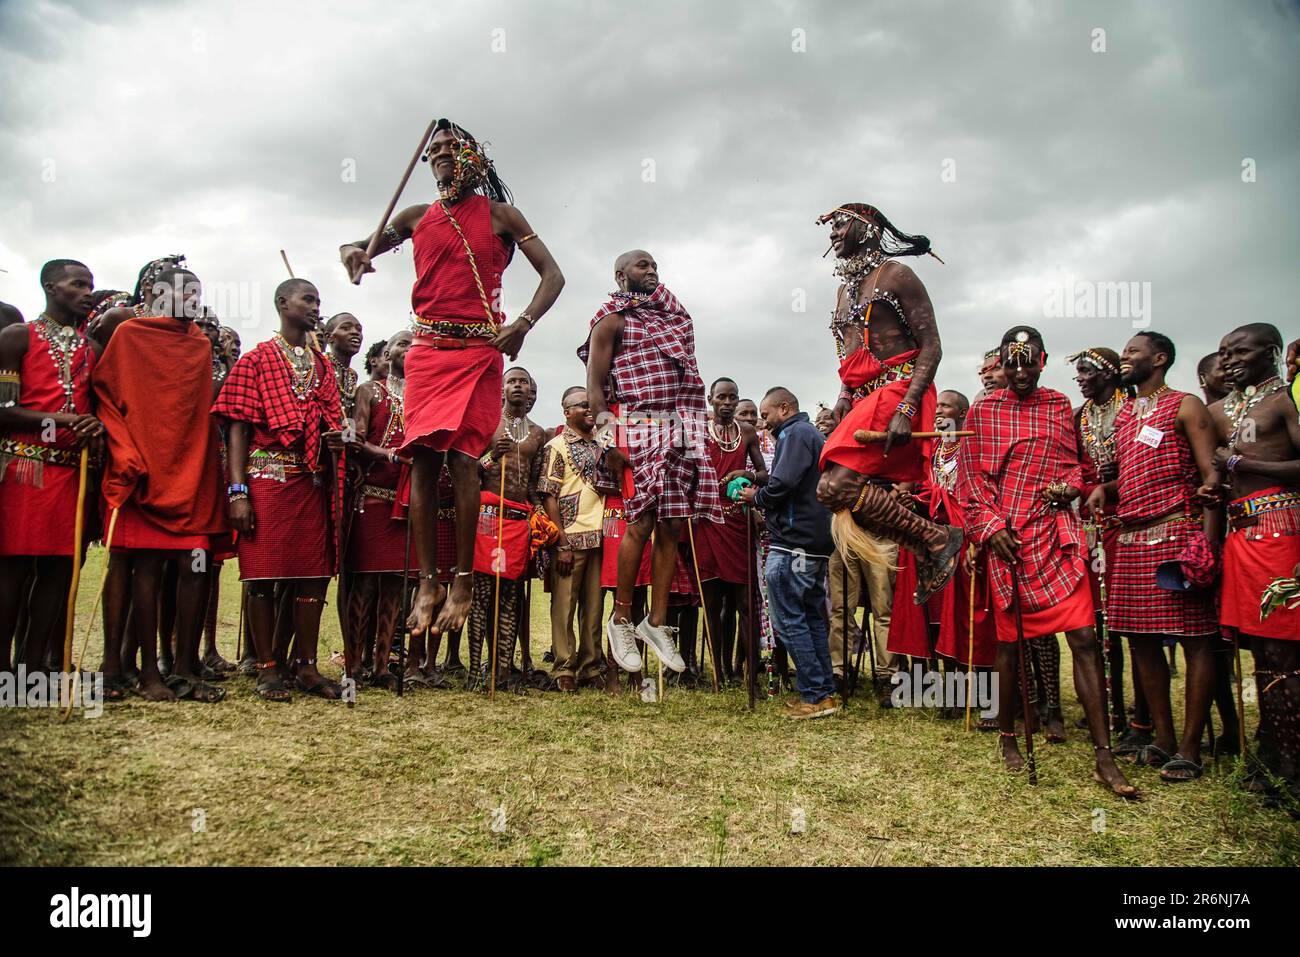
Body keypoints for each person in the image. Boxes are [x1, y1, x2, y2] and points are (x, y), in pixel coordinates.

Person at [339, 119, 564, 643]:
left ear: (474, 160)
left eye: (450, 148)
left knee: (464, 461)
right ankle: (427, 582)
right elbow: (363, 247)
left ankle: (462, 581)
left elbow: (553, 275)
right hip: (427, 351)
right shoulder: (417, 216)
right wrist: (352, 252)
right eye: (434, 150)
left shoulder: (503, 216)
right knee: (420, 457)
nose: (440, 155)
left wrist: (522, 324)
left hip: (480, 351)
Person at [959, 326, 1135, 798]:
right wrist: (992, 529)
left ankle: (1103, 755)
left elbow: (1075, 465)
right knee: (1009, 647)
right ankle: (1009, 737)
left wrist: (1071, 487)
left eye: (1027, 361)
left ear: (1042, 359)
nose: (1018, 371)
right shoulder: (984, 411)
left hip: (1056, 535)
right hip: (1008, 539)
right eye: (1009, 362)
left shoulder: (1059, 406)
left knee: (1083, 637)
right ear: (999, 363)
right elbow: (971, 483)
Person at [579, 249, 723, 676]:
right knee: (640, 521)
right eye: (643, 265)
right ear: (621, 274)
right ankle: (621, 617)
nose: (652, 270)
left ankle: (656, 622)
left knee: (673, 524)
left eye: (655, 265)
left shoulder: (674, 319)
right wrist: (607, 443)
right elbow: (596, 388)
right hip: (634, 425)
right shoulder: (610, 320)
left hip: (676, 427)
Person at [1086, 332, 1220, 783]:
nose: (1124, 358)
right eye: (1123, 353)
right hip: (1131, 536)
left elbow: (1211, 476)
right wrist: (1105, 489)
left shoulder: (1185, 405)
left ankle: (1190, 748)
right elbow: (1131, 476)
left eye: (1132, 352)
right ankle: (1161, 738)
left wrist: (1206, 542)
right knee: (1139, 637)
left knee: (1194, 639)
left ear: (1159, 358)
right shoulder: (1125, 416)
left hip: (1177, 530)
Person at [812, 203, 963, 603]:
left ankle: (937, 537)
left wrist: (908, 408)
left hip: (901, 391)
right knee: (833, 491)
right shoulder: (844, 291)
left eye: (840, 224)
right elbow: (851, 354)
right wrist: (845, 395)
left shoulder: (897, 275)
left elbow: (932, 347)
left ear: (870, 230)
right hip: (867, 397)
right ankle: (930, 543)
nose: (832, 233)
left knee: (836, 486)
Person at [91, 262, 227, 703]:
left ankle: (185, 666)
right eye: (183, 293)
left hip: (192, 469)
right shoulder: (130, 335)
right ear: (155, 294)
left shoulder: (200, 345)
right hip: (144, 467)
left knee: (196, 564)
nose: (192, 301)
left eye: (197, 293)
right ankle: (146, 670)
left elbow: (197, 412)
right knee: (143, 568)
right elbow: (107, 398)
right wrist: (124, 452)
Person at [212, 278, 345, 702]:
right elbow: (238, 426)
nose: (315, 306)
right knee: (264, 576)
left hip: (311, 480)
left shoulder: (322, 366)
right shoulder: (255, 360)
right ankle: (267, 666)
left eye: (318, 299)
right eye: (309, 298)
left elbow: (329, 419)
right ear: (282, 303)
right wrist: (237, 492)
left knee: (313, 576)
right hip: (266, 478)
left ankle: (305, 665)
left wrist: (333, 438)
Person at [1209, 322, 1299, 803]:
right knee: (1262, 656)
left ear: (1272, 351)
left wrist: (1244, 466)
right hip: (1241, 535)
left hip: (1281, 532)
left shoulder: (1285, 400)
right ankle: (1273, 756)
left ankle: (1292, 767)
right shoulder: (1229, 408)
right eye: (1224, 353)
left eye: (1240, 351)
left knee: (1287, 657)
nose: (1229, 360)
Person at [0, 260, 102, 676]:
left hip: (71, 474)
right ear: (50, 287)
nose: (87, 292)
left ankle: (34, 666)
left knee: (60, 571)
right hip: (25, 468)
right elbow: (4, 411)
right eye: (78, 284)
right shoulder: (16, 337)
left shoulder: (92, 350)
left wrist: (95, 427)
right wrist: (59, 422)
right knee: (13, 569)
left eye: (90, 285)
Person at [740, 387, 836, 718]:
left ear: (784, 408)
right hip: (815, 541)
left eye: (765, 416)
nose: (763, 424)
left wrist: (757, 497)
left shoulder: (795, 434)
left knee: (788, 620)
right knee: (810, 618)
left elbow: (783, 484)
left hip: (794, 541)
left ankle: (812, 694)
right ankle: (824, 692)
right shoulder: (808, 434)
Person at [1069, 347, 1141, 741]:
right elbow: (1073, 467)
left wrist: (1109, 485)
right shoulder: (1079, 418)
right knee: (1096, 622)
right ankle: (1108, 710)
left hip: (1126, 523)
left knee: (1130, 624)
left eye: (1086, 372)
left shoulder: (1131, 411)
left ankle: (1141, 716)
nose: (1079, 378)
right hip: (1089, 528)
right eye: (1077, 372)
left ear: (1110, 374)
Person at [467, 367, 547, 690]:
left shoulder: (538, 433)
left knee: (512, 595)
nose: (518, 386)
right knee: (483, 594)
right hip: (487, 513)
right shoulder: (488, 422)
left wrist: (538, 511)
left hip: (518, 519)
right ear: (502, 390)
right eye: (512, 381)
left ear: (530, 392)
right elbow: (466, 468)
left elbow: (532, 482)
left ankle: (502, 670)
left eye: (523, 382)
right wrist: (491, 457)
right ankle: (475, 670)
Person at [345, 329, 415, 689]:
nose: (408, 348)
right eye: (402, 343)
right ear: (386, 354)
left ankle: (382, 665)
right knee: (366, 582)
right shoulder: (370, 392)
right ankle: (353, 663)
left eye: (413, 344)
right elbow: (357, 439)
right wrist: (390, 455)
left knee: (394, 584)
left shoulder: (422, 395)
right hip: (373, 494)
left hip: (406, 500)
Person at [540, 386, 619, 691]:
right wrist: (560, 542)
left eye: (591, 405)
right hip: (570, 537)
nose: (589, 409)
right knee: (564, 606)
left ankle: (589, 665)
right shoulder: (556, 446)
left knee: (594, 607)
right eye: (582, 405)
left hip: (601, 534)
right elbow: (548, 495)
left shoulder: (605, 443)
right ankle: (564, 667)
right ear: (566, 412)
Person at [692, 377, 767, 685]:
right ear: (710, 399)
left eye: (732, 397)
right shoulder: (698, 431)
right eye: (721, 397)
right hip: (707, 522)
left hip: (738, 521)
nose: (727, 402)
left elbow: (763, 474)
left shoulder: (747, 433)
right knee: (711, 603)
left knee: (745, 602)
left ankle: (749, 674)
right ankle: (719, 674)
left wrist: (745, 473)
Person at [325, 312, 363, 419]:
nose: (355, 332)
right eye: (345, 328)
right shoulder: (320, 366)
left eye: (359, 329)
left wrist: (347, 435)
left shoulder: (352, 375)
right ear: (329, 337)